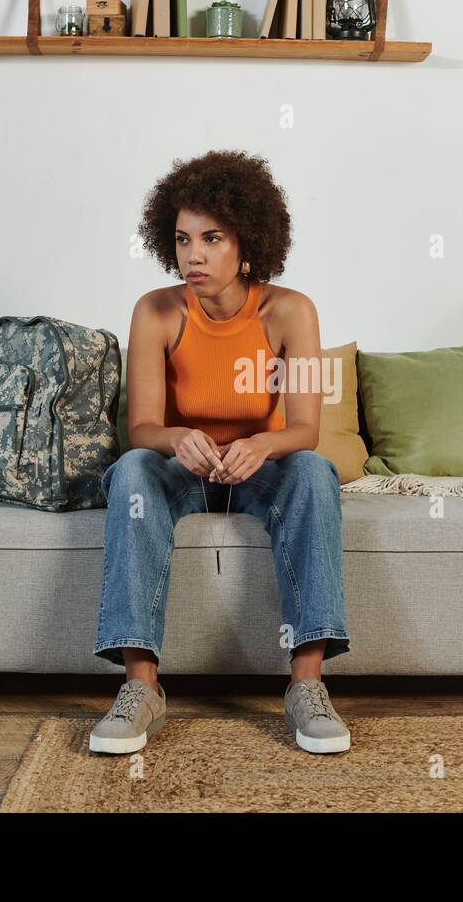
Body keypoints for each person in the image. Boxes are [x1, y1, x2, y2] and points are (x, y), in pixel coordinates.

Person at [89, 149, 351, 756]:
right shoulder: (155, 310)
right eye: (182, 240)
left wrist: (262, 444)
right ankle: (140, 688)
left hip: (258, 469)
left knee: (313, 471)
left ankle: (307, 686)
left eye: (211, 238)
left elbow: (305, 429)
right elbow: (143, 428)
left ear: (248, 241)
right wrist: (177, 439)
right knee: (130, 469)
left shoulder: (291, 311)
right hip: (183, 469)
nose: (194, 255)